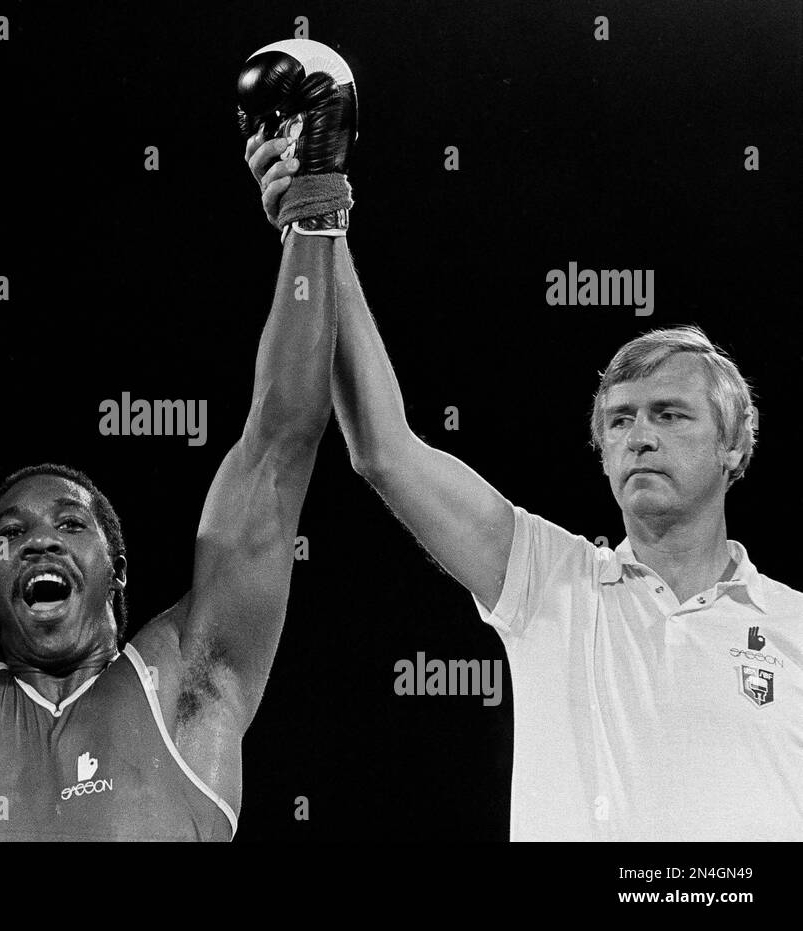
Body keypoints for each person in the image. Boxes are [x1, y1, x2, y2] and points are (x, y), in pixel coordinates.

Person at [0, 65, 349, 839]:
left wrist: (316, 195)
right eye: (10, 534)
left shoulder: (187, 686)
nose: (38, 536)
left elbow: (282, 443)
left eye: (71, 523)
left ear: (118, 567)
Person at [246, 68, 803, 839]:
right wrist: (318, 211)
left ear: (735, 442)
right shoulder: (551, 580)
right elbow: (384, 450)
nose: (637, 434)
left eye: (669, 414)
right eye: (617, 421)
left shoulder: (798, 628)